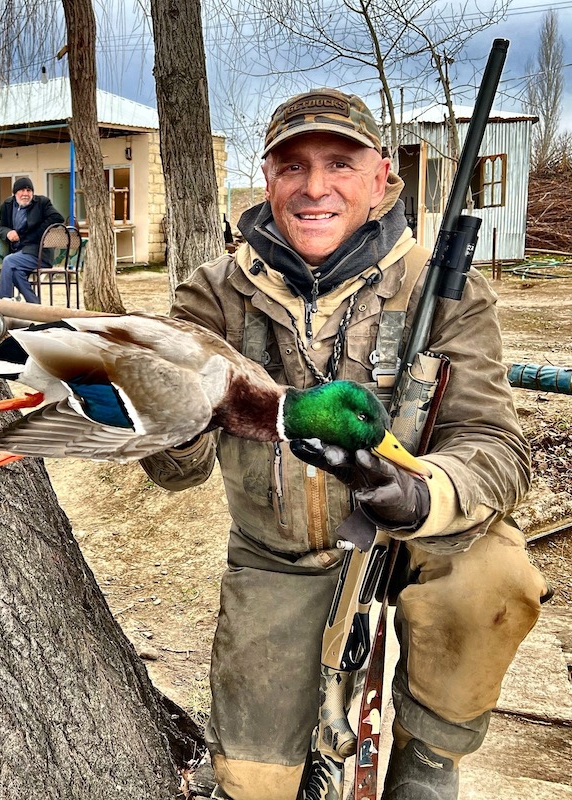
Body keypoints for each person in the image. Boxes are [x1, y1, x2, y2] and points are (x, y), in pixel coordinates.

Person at [139, 88, 549, 800]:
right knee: (255, 785)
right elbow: (177, 474)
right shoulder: (211, 295)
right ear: (267, 180)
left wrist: (422, 494)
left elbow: (498, 447)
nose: (315, 187)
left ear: (381, 174)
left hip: (419, 544)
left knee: (496, 581)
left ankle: (428, 762)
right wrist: (153, 416)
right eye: (292, 167)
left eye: (339, 162)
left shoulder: (442, 289)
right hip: (279, 559)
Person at [0, 177, 64, 304]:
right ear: (15, 193)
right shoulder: (7, 205)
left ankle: (2, 302)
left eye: (29, 190)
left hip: (38, 253)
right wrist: (8, 232)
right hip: (18, 252)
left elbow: (57, 217)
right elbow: (0, 226)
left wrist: (36, 232)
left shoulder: (42, 203)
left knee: (9, 261)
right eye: (22, 190)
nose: (26, 194)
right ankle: (35, 305)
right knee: (15, 272)